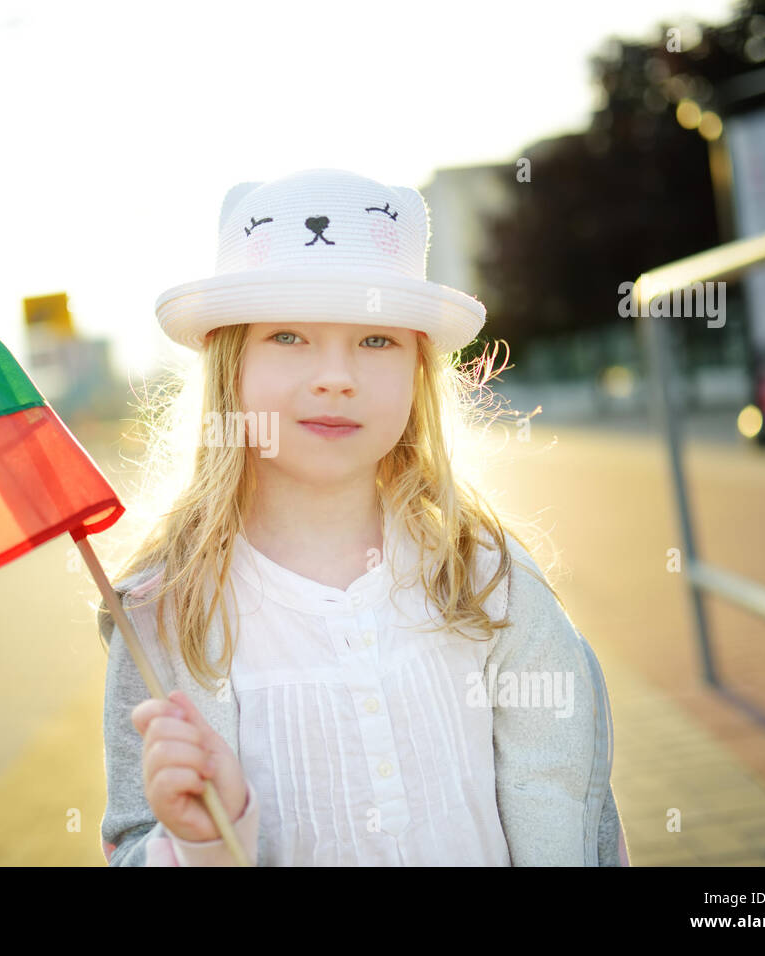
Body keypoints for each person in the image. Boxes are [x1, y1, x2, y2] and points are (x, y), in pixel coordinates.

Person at [97, 168, 628, 866]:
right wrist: (197, 841)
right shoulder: (168, 615)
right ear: (231, 369)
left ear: (417, 371)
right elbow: (134, 837)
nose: (336, 375)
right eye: (288, 336)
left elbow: (572, 799)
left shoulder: (484, 576)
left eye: (376, 340)